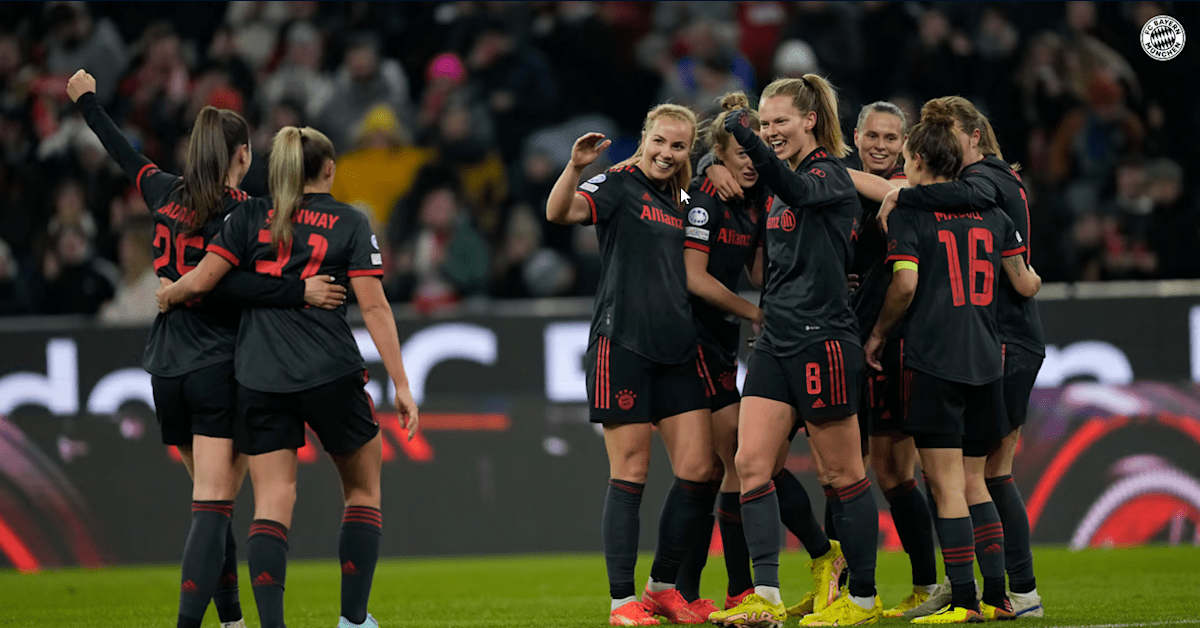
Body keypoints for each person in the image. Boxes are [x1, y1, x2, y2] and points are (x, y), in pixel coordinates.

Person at [66, 69, 345, 628]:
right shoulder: (243, 211)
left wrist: (88, 102)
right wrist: (300, 290)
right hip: (219, 365)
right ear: (241, 155)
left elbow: (121, 151)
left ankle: (233, 621)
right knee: (215, 504)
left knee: (211, 505)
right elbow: (236, 283)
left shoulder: (163, 190)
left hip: (165, 367)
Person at [157, 126, 419, 628]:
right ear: (329, 169)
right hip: (330, 370)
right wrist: (401, 384)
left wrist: (169, 295)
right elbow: (374, 306)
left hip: (260, 374)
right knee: (362, 490)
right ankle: (353, 619)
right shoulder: (350, 221)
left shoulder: (251, 214)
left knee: (273, 501)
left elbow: (207, 279)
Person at [710, 75, 881, 628]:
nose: (769, 132)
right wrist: (710, 167)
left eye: (779, 121)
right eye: (763, 123)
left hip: (824, 339)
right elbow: (718, 183)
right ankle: (766, 595)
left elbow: (795, 189)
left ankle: (861, 598)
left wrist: (751, 144)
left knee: (842, 473)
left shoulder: (828, 174)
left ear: (809, 121)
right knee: (750, 464)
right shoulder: (772, 180)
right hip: (775, 340)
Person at [864, 112, 1041, 623]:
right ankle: (998, 595)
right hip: (988, 361)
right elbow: (1026, 284)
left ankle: (963, 600)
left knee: (944, 487)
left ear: (917, 159)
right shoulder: (993, 213)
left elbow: (905, 285)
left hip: (934, 360)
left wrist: (877, 335)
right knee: (975, 482)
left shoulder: (910, 215)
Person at [546, 104, 717, 626]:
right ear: (644, 138)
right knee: (631, 472)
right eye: (660, 142)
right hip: (623, 345)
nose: (667, 153)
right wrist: (575, 167)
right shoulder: (618, 181)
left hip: (678, 350)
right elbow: (561, 213)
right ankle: (622, 603)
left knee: (697, 470)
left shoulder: (684, 197)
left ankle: (662, 587)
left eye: (678, 146)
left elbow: (708, 220)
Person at [684, 95, 846, 620]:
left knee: (748, 465)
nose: (752, 161)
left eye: (758, 152)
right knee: (728, 465)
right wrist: (755, 316)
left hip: (743, 342)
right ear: (722, 153)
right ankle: (724, 586)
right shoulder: (704, 194)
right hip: (691, 341)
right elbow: (694, 276)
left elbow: (759, 274)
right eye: (740, 152)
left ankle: (741, 587)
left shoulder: (762, 198)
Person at [846, 102, 943, 619]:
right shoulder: (839, 185)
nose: (880, 145)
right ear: (856, 136)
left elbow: (901, 195)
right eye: (872, 136)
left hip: (897, 346)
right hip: (846, 341)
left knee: (892, 470)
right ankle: (841, 589)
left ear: (904, 145)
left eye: (891, 137)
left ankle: (928, 582)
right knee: (839, 467)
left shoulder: (911, 190)